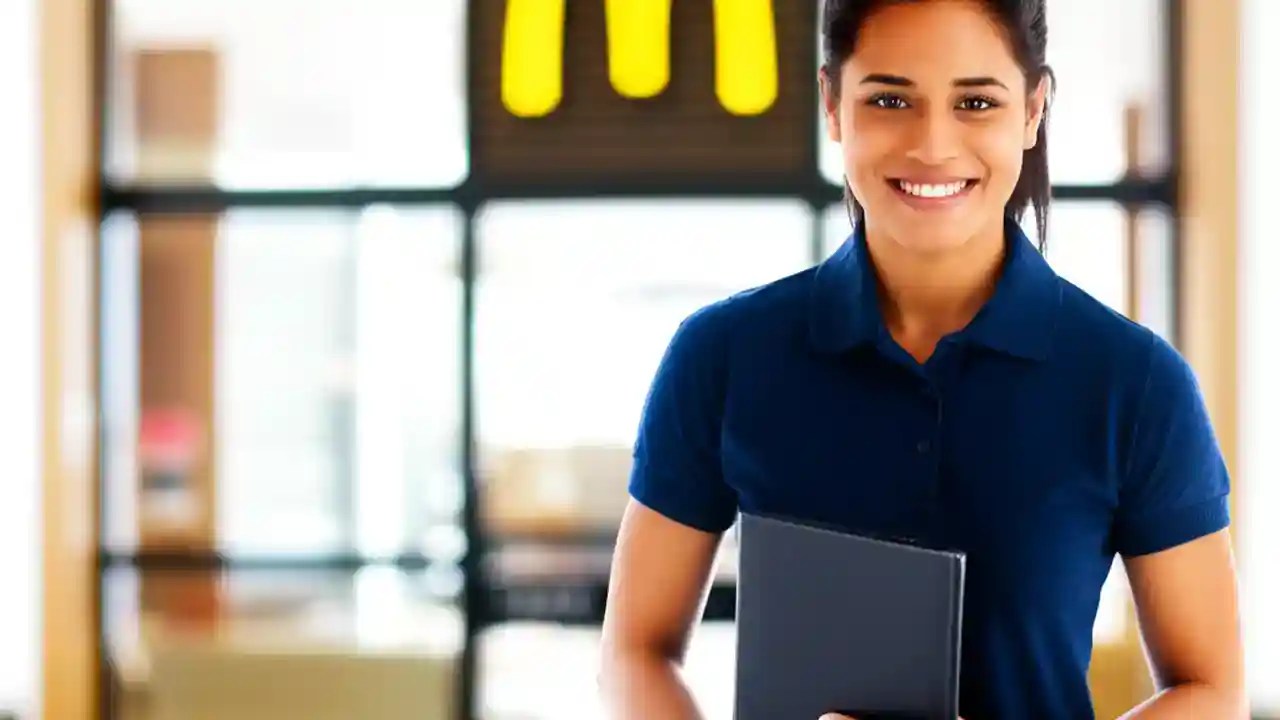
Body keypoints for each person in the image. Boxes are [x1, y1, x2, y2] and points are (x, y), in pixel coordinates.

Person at [597, 0, 1247, 718]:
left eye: (975, 101)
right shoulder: (722, 356)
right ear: (833, 106)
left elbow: (1212, 689)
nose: (933, 145)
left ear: (1033, 111)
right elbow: (636, 651)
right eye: (889, 99)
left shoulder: (1134, 383)